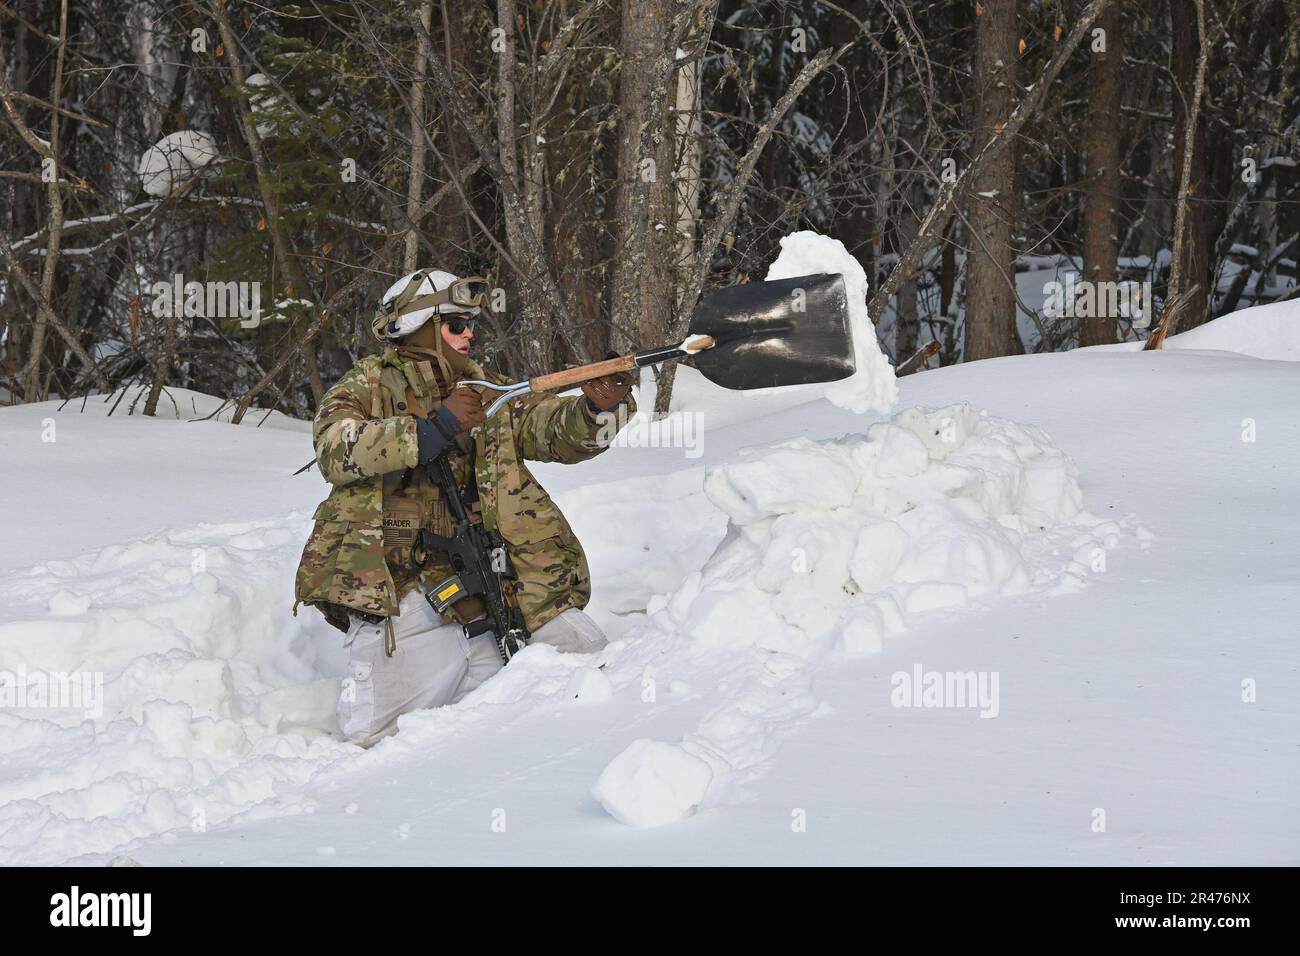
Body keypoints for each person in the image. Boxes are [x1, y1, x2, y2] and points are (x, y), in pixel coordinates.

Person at [294, 269, 634, 746]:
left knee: (597, 680)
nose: (470, 333)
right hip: (406, 594)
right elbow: (335, 449)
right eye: (456, 324)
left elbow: (555, 433)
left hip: (501, 584)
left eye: (473, 323)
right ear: (420, 325)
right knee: (378, 745)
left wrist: (600, 408)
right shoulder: (370, 385)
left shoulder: (488, 388)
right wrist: (433, 429)